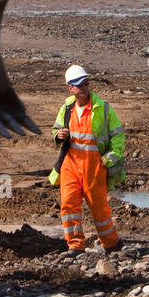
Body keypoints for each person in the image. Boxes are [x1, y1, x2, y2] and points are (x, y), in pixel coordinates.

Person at [50, 64, 126, 255]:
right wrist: (58, 135)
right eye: (79, 85)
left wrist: (108, 160)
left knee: (99, 207)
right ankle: (75, 245)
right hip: (71, 165)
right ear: (70, 88)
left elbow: (118, 136)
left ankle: (111, 243)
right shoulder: (67, 108)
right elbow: (55, 129)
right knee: (69, 205)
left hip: (94, 166)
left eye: (85, 83)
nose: (83, 88)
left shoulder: (103, 108)